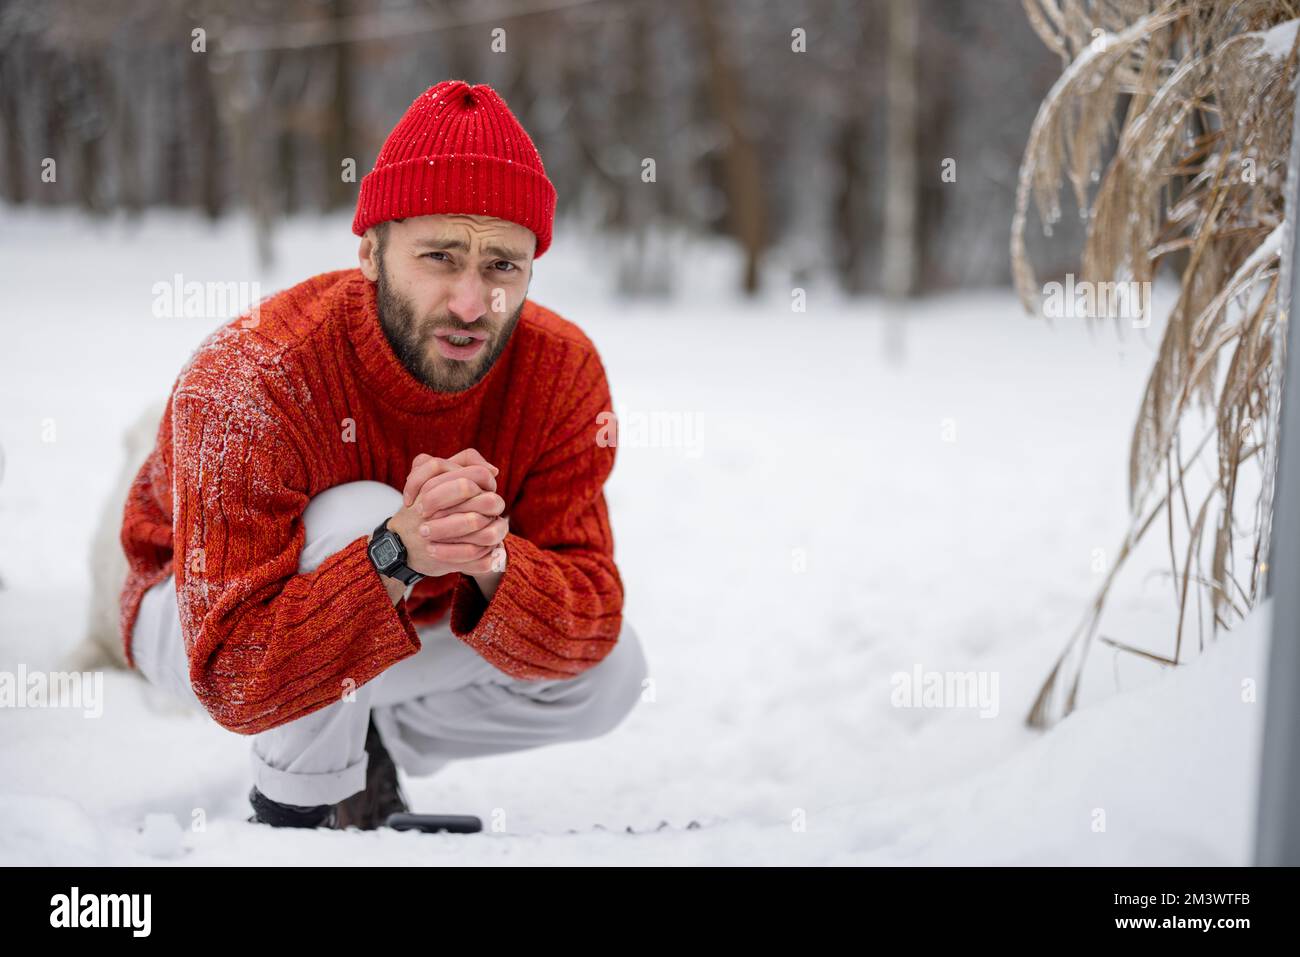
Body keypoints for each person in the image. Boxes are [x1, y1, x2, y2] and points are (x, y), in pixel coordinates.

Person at [119, 79, 647, 830]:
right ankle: (302, 816)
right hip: (200, 618)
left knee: (612, 672)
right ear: (369, 251)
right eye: (440, 256)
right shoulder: (256, 371)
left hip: (398, 628)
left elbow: (591, 607)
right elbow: (231, 671)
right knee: (362, 511)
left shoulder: (562, 373)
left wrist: (492, 558)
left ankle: (367, 738)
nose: (472, 303)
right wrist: (396, 550)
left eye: (502, 266)